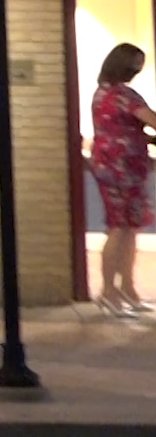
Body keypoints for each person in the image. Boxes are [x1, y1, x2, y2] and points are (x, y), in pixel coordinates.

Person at [90, 42, 155, 316]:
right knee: (120, 227)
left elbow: (122, 128)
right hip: (123, 169)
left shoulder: (101, 94)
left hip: (112, 166)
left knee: (128, 227)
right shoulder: (125, 95)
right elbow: (151, 120)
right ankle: (109, 291)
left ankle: (126, 288)